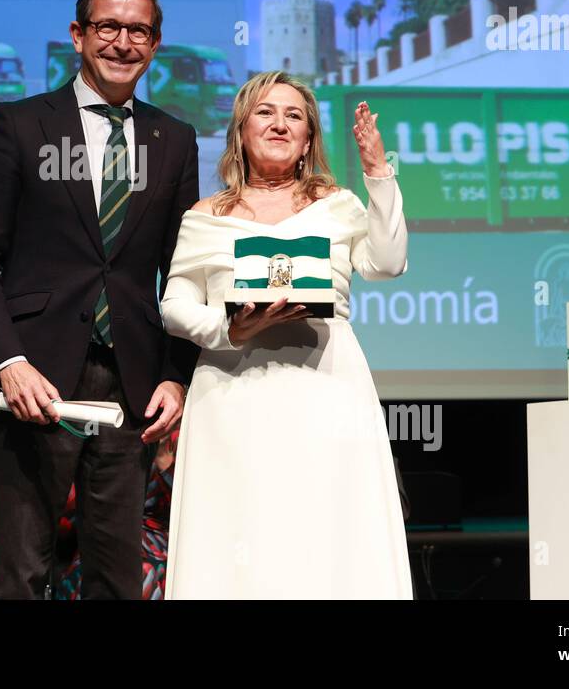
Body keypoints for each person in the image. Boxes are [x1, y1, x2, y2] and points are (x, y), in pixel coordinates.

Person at [0, 0, 201, 599]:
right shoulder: (20, 124)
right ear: (78, 35)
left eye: (138, 31)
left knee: (118, 577)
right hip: (31, 381)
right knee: (21, 572)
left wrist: (176, 374)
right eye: (108, 27)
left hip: (133, 386)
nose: (123, 42)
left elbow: (184, 271)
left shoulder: (173, 140)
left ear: (156, 43)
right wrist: (7, 362)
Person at [161, 71, 413, 598]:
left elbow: (387, 263)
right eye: (266, 112)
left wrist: (377, 171)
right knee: (239, 527)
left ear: (308, 138)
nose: (279, 123)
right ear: (241, 129)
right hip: (231, 391)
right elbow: (174, 306)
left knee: (327, 528)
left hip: (326, 385)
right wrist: (228, 329)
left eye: (294, 115)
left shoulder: (338, 204)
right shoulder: (204, 217)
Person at [53, 429, 179, 600]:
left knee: (142, 573)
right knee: (95, 568)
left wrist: (162, 458)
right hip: (105, 525)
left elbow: (197, 515)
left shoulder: (187, 437)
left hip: (163, 538)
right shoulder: (115, 428)